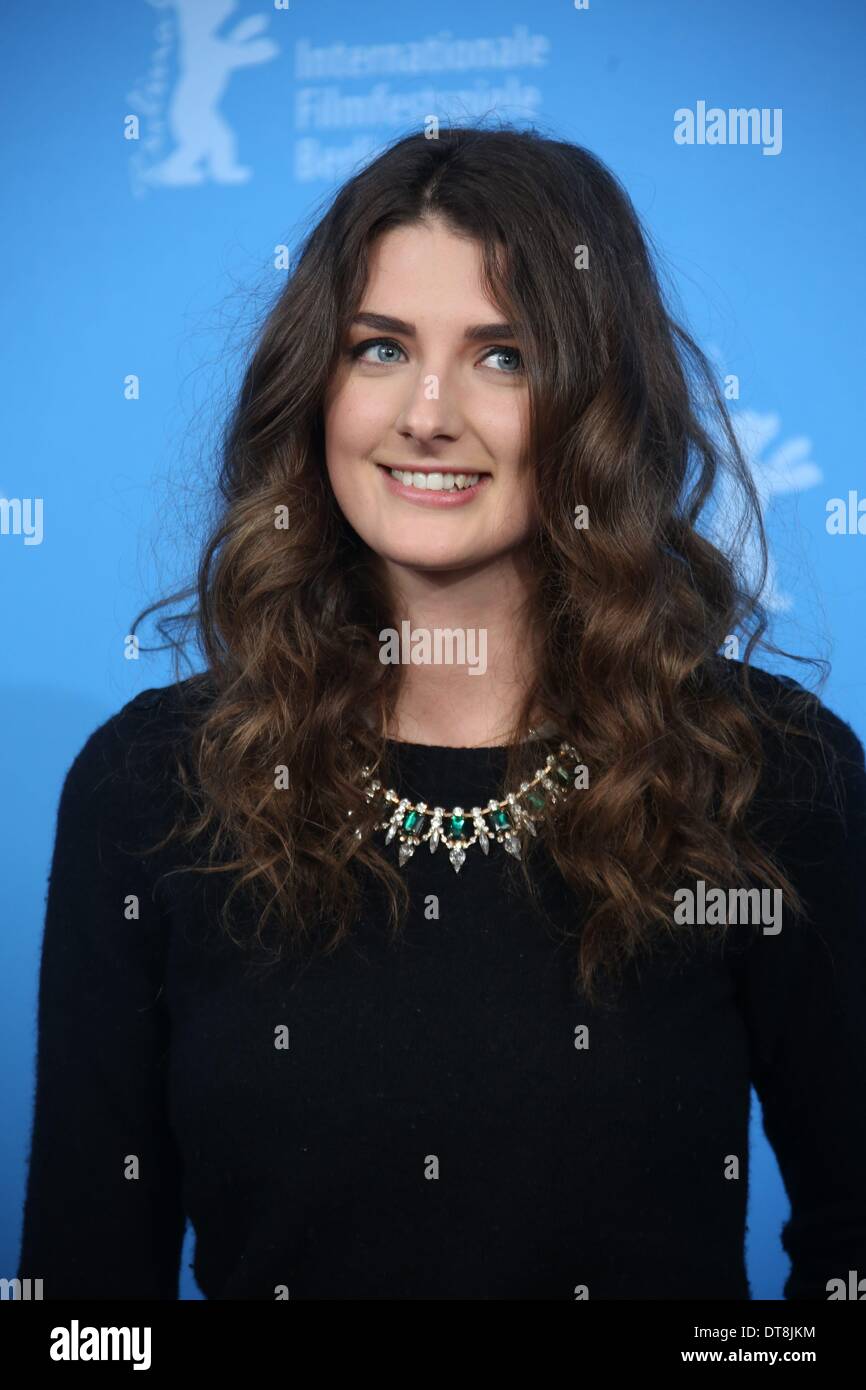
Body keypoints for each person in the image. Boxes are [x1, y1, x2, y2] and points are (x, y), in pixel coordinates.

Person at [17, 125, 866, 1300]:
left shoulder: (763, 774)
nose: (426, 412)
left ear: (596, 401)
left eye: (502, 356)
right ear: (313, 384)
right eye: (378, 349)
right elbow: (82, 1295)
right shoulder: (149, 784)